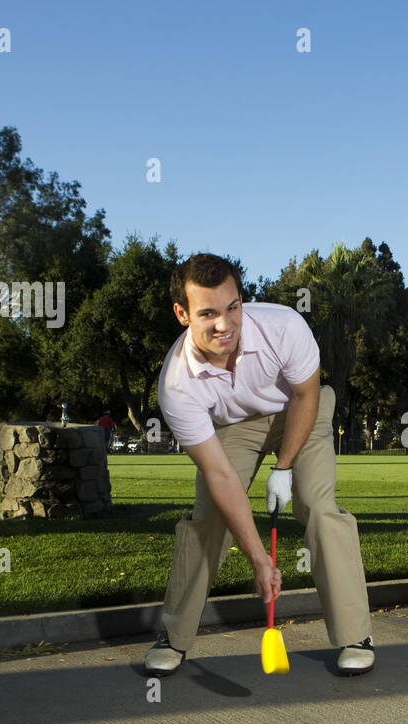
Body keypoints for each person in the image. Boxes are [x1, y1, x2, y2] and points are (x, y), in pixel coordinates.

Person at [144, 253, 375, 678]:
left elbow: (307, 395)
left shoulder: (283, 326)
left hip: (298, 409)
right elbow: (219, 475)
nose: (225, 324)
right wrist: (259, 561)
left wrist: (284, 467)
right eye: (208, 313)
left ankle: (355, 635)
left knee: (316, 504)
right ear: (182, 314)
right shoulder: (177, 385)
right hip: (236, 424)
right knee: (210, 514)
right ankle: (174, 636)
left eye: (233, 307)